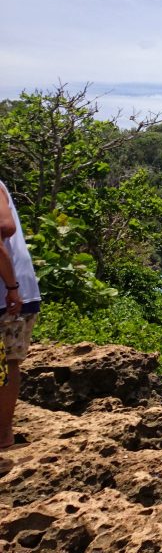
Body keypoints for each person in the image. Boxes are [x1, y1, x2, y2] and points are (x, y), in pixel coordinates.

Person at [0, 180, 41, 450]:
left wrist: (12, 288)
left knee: (7, 363)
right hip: (13, 291)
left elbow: (6, 227)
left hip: (11, 294)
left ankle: (3, 434)